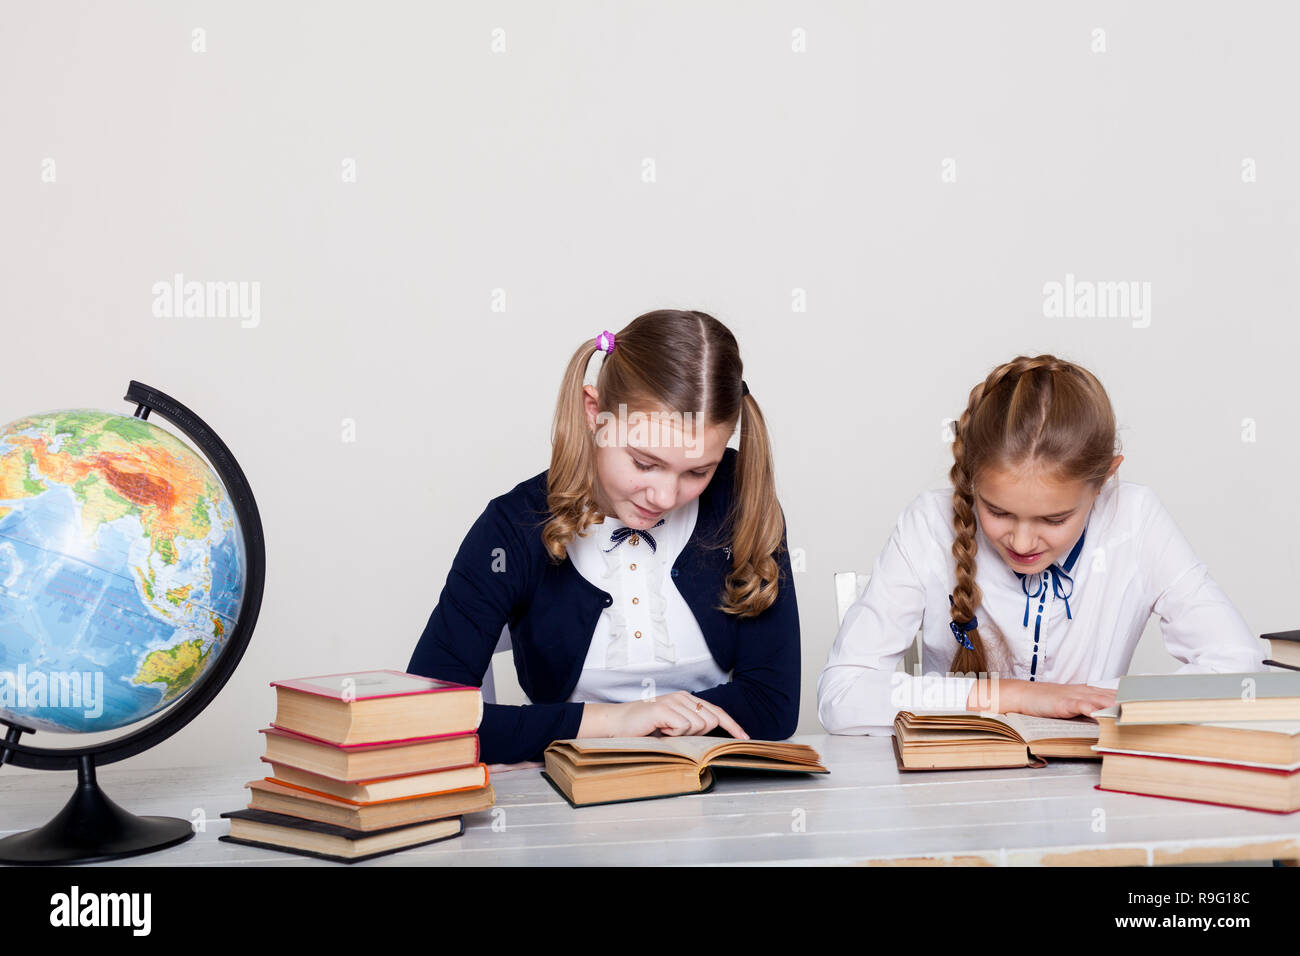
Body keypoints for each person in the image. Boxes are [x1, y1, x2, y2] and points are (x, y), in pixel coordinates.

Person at [408, 310, 800, 764]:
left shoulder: (740, 498)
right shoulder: (512, 527)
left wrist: (655, 725)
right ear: (595, 414)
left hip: (717, 799)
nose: (666, 495)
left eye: (698, 471)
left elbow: (773, 704)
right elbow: (426, 721)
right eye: (643, 462)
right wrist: (615, 722)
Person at [818, 354, 1264, 735]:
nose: (1023, 541)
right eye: (998, 512)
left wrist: (1105, 701)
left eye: (1054, 519)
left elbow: (1239, 666)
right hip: (951, 799)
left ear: (1105, 480)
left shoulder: (1136, 518)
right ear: (971, 477)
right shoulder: (928, 524)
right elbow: (842, 694)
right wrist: (1017, 696)